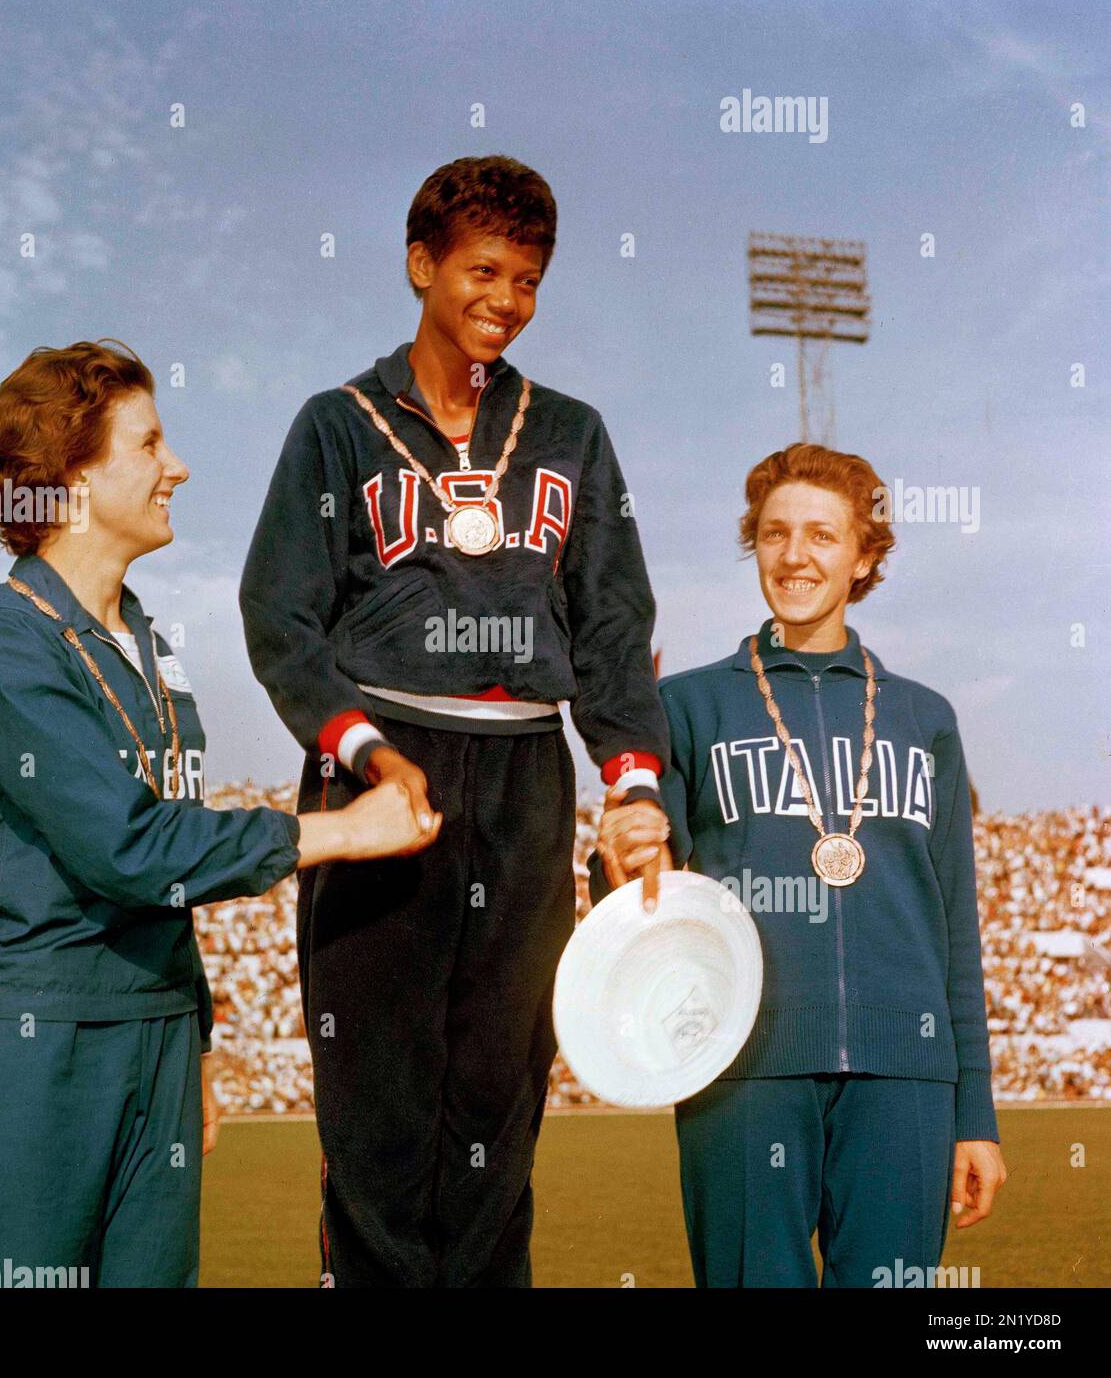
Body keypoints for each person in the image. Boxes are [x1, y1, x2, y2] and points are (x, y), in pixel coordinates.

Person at [0, 339, 438, 1289]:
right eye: (148, 445)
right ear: (70, 474)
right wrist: (344, 832)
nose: (176, 466)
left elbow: (165, 883)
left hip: (153, 1041)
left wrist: (193, 1035)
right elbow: (128, 846)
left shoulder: (150, 643)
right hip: (31, 1050)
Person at [240, 156, 670, 1287]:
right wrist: (361, 750)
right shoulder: (335, 426)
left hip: (528, 774)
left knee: (497, 1105)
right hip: (386, 772)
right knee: (379, 1113)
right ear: (422, 264)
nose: (507, 298)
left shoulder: (570, 432)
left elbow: (615, 623)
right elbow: (279, 613)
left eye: (529, 279)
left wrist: (632, 783)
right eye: (485, 269)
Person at [592, 442, 1007, 1288]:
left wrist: (975, 1115)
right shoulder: (687, 705)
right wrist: (617, 854)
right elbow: (646, 890)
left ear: (864, 556)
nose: (794, 556)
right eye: (774, 534)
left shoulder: (925, 718)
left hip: (905, 1078)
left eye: (822, 536)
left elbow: (954, 931)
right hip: (744, 1071)